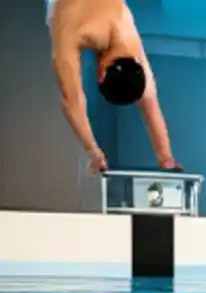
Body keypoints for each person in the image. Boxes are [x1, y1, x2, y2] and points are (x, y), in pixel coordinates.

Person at [48, 0, 179, 174]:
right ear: (101, 77)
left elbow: (150, 101)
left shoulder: (130, 45)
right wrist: (93, 152)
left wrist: (166, 157)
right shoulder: (71, 31)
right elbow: (71, 103)